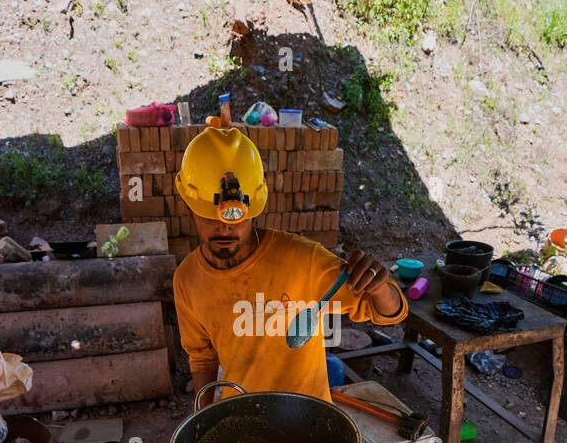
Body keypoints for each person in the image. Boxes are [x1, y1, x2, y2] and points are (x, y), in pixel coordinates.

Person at [172, 123, 407, 404]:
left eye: (237, 219)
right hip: (242, 414)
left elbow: (390, 314)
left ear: (255, 209)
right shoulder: (188, 280)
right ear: (188, 206)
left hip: (308, 419)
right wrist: (203, 419)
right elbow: (202, 358)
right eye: (211, 216)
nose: (225, 228)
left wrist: (380, 287)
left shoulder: (302, 261)